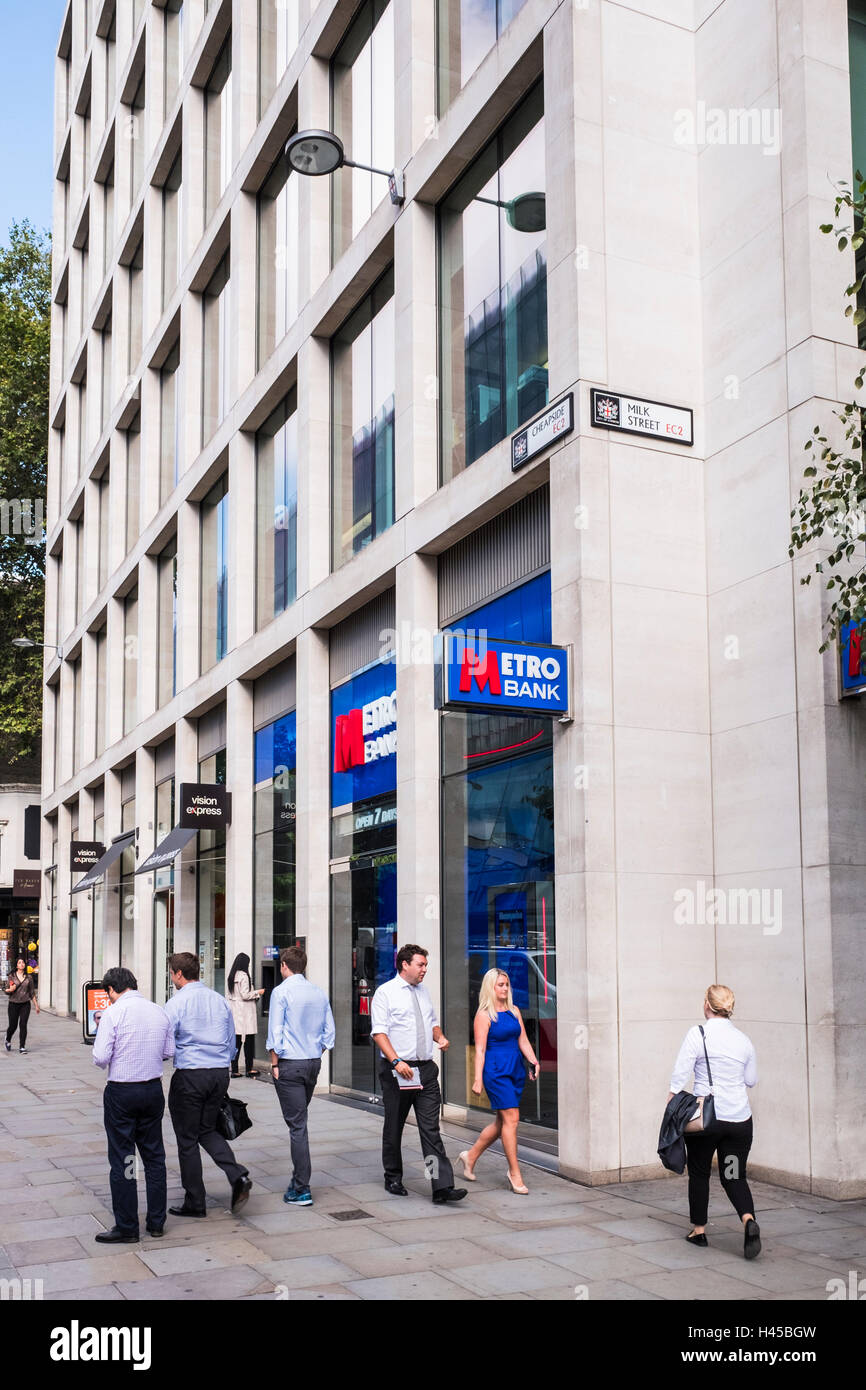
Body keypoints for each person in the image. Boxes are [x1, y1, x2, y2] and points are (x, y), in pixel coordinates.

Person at [668, 984, 761, 1259]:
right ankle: (748, 1220)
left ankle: (699, 1231)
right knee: (733, 1175)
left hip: (706, 1121)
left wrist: (670, 1105)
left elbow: (679, 1074)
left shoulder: (698, 1034)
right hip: (739, 1121)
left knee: (699, 1172)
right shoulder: (744, 1040)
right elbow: (751, 1080)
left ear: (707, 1005)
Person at [370, 944, 467, 1205]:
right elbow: (380, 1033)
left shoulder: (423, 992)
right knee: (394, 1127)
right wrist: (396, 1061)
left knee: (430, 1129)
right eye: (421, 964)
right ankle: (393, 1177)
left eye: (425, 964)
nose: (425, 969)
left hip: (424, 1070)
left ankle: (440, 1186)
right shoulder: (385, 994)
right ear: (404, 964)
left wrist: (441, 1037)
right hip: (397, 1070)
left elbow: (431, 1023)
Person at [163, 952, 252, 1218]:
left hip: (191, 1074)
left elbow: (167, 1045)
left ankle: (195, 1201)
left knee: (187, 1139)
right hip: (218, 1074)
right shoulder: (218, 1000)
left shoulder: (176, 1003)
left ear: (179, 974)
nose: (171, 977)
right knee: (205, 1129)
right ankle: (237, 1175)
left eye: (171, 973)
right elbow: (231, 1040)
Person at [91, 966, 174, 1243]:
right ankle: (156, 1222)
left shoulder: (113, 1013)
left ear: (111, 990)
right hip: (152, 1090)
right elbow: (168, 1052)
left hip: (122, 1093)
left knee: (124, 1159)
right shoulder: (158, 1011)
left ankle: (127, 1227)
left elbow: (101, 1057)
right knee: (154, 1157)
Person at [457, 968, 539, 1194]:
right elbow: (480, 1049)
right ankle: (514, 1173)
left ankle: (470, 1156)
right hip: (496, 1071)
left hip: (515, 1069)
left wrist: (533, 1061)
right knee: (512, 1119)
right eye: (500, 985)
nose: (504, 988)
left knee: (502, 1123)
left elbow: (522, 1039)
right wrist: (477, 1079)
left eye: (506, 984)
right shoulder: (484, 1015)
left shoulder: (514, 1011)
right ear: (490, 988)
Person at [267, 944, 335, 1207]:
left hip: (289, 1064)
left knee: (297, 1126)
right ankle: (298, 1181)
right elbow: (329, 1032)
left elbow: (275, 1031)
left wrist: (274, 1064)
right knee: (299, 1121)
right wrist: (315, 1051)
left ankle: (301, 1188)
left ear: (284, 965)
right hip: (312, 1063)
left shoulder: (281, 992)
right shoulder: (318, 992)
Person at [226, 953, 264, 1078]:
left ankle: (235, 1069)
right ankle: (249, 1069)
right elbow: (245, 995)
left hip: (236, 1013)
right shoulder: (244, 976)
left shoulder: (232, 976)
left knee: (236, 1043)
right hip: (245, 1014)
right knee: (249, 1044)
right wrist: (259, 992)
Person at [5, 958, 39, 1054]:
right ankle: (8, 1039)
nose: (21, 964)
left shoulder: (29, 977)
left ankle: (22, 1046)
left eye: (23, 962)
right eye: (19, 962)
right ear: (16, 965)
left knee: (23, 1025)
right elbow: (7, 990)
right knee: (13, 1025)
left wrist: (36, 1005)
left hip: (25, 1004)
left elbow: (32, 992)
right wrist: (10, 990)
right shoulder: (11, 976)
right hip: (13, 1004)